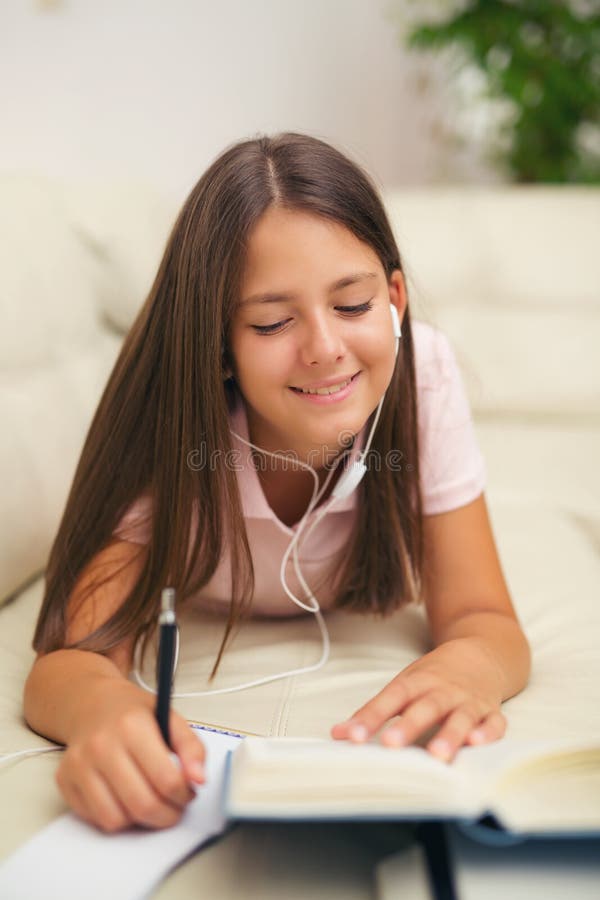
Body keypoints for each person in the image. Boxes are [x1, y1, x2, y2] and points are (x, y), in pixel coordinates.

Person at [23, 131, 531, 834]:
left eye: (352, 306)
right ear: (218, 344)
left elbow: (486, 620)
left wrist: (471, 667)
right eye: (270, 321)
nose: (324, 349)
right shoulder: (170, 425)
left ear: (394, 299)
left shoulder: (424, 375)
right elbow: (69, 662)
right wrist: (102, 711)